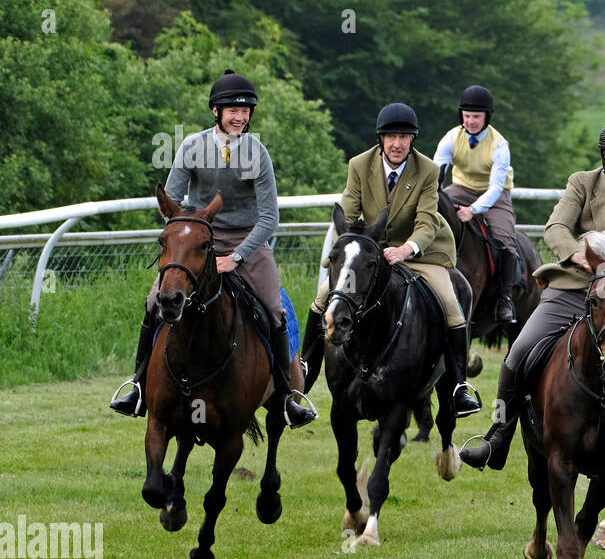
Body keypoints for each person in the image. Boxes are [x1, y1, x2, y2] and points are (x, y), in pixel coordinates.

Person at [459, 114, 605, 484]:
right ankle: (498, 437)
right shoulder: (581, 183)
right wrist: (579, 255)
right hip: (573, 288)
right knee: (518, 354)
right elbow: (555, 227)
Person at [109, 69, 316, 427]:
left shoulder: (257, 153)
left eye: (246, 111)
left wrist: (236, 258)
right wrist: (183, 234)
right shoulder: (192, 146)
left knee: (273, 309)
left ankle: (286, 397)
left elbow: (269, 219)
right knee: (153, 302)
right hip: (199, 238)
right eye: (232, 110)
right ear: (215, 112)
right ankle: (138, 385)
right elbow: (171, 200)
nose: (240, 117)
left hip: (247, 240)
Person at [299, 103, 481, 417]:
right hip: (371, 252)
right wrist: (351, 245)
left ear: (413, 140)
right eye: (391, 137)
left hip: (421, 251)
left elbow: (427, 222)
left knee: (451, 304)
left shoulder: (427, 170)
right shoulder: (359, 164)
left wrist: (406, 249)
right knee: (323, 298)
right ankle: (304, 372)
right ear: (381, 139)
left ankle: (458, 386)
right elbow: (350, 212)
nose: (397, 143)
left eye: (404, 137)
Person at [433, 85, 522, 323]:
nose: (471, 121)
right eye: (467, 116)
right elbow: (436, 174)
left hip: (495, 194)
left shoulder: (499, 144)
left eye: (476, 116)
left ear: (487, 117)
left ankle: (505, 299)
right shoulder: (451, 137)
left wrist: (473, 211)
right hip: (460, 189)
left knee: (505, 239)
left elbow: (494, 188)